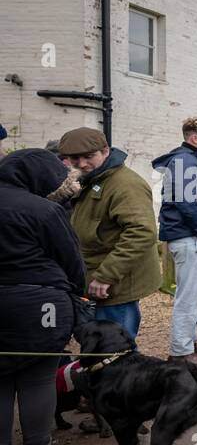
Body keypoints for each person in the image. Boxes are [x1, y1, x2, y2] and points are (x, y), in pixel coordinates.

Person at [0, 150, 85, 445]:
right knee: (37, 375)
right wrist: (78, 291)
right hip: (40, 303)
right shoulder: (45, 210)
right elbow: (70, 260)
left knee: (1, 378)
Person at [59, 127, 160, 342]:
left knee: (115, 350)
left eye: (89, 157)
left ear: (105, 151)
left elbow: (141, 232)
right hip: (97, 273)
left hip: (116, 282)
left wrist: (107, 275)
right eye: (75, 158)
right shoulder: (95, 179)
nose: (83, 163)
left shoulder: (124, 184)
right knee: (99, 345)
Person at [152, 116, 197, 366]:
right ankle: (181, 352)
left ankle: (188, 342)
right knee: (190, 297)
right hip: (190, 236)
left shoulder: (187, 159)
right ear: (195, 138)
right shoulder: (185, 161)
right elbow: (187, 201)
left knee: (195, 295)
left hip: (189, 235)